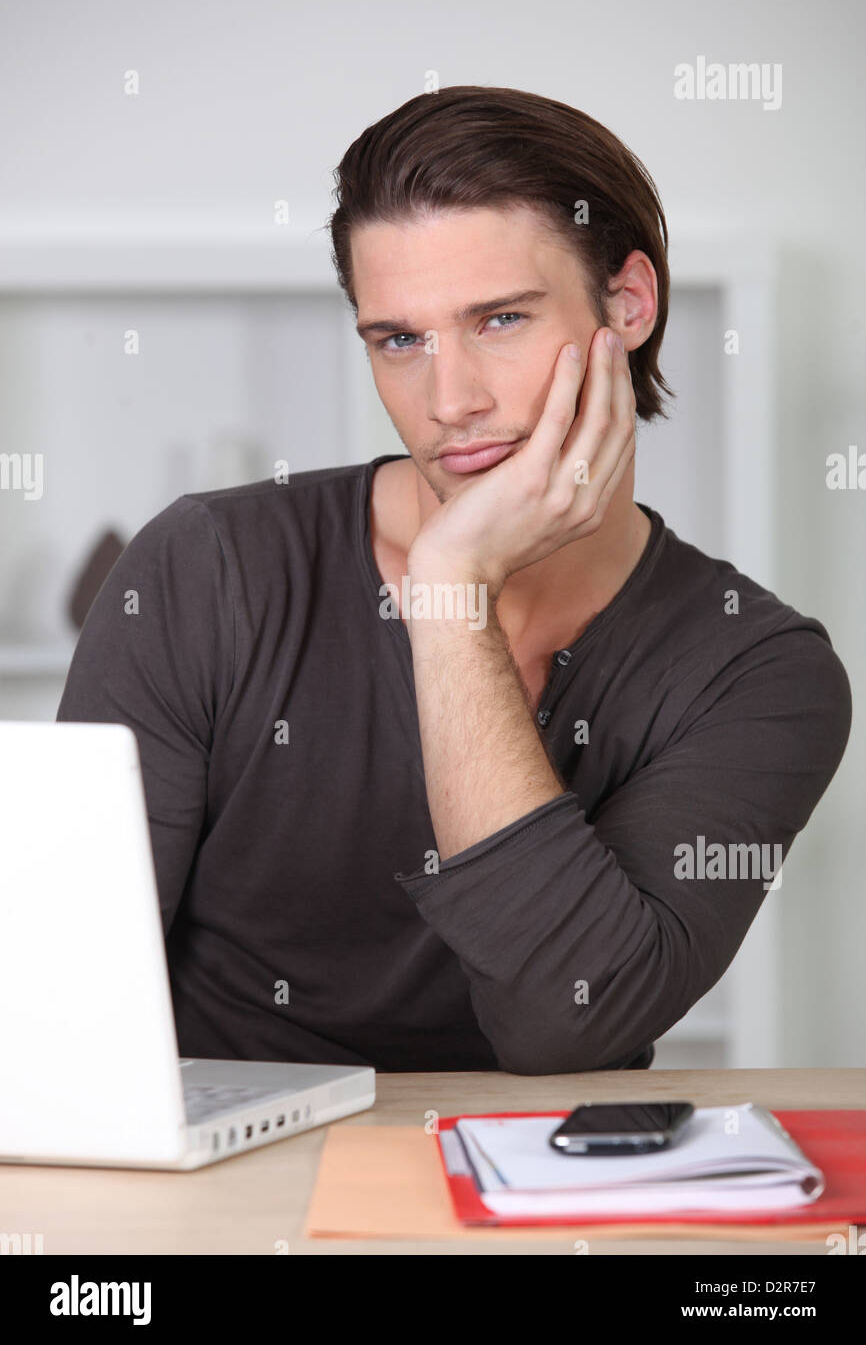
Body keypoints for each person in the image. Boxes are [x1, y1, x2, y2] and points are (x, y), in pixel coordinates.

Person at [57, 86, 851, 1074]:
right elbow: (66, 993)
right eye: (399, 339)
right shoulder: (205, 565)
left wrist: (448, 588)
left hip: (547, 1192)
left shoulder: (756, 671)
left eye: (501, 319)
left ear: (627, 303)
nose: (449, 400)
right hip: (219, 1181)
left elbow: (566, 1020)